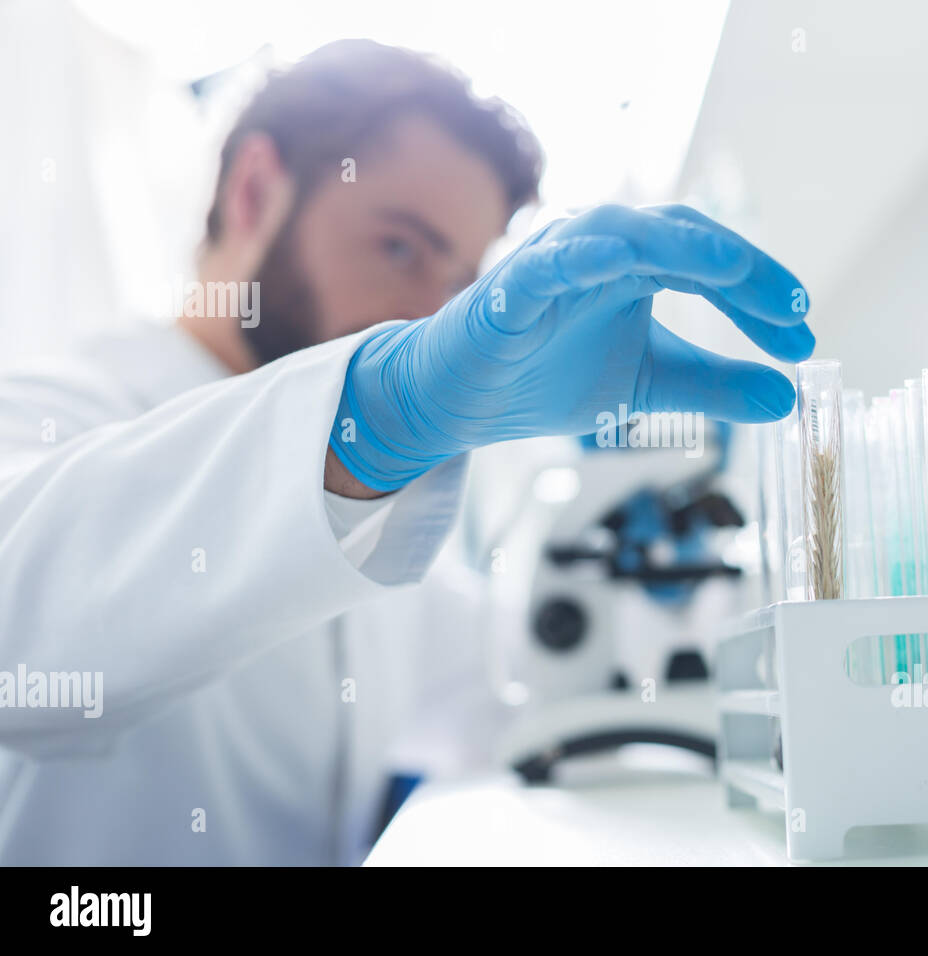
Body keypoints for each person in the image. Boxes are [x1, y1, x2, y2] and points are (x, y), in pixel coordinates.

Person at [0, 40, 813, 864]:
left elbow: (512, 694)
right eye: (399, 248)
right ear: (252, 192)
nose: (430, 312)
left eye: (458, 280)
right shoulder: (58, 407)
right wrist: (381, 412)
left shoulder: (378, 528)